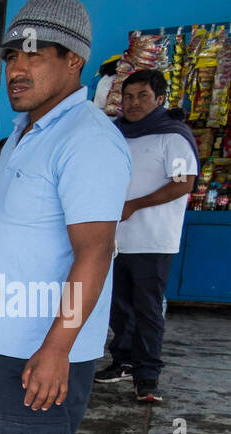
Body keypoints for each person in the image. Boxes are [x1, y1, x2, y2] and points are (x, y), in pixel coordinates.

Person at [0, 0, 131, 434]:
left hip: (41, 354)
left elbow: (95, 252)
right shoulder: (24, 136)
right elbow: (14, 238)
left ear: (74, 60)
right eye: (10, 58)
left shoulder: (87, 140)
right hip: (2, 342)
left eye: (33, 56)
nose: (17, 70)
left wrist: (58, 349)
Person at [94, 69, 199, 403]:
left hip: (153, 240)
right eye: (127, 96)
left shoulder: (174, 136)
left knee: (148, 309)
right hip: (113, 239)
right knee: (116, 307)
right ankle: (122, 361)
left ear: (160, 99)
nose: (133, 103)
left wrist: (134, 205)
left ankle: (147, 376)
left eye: (142, 96)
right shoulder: (116, 134)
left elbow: (184, 183)